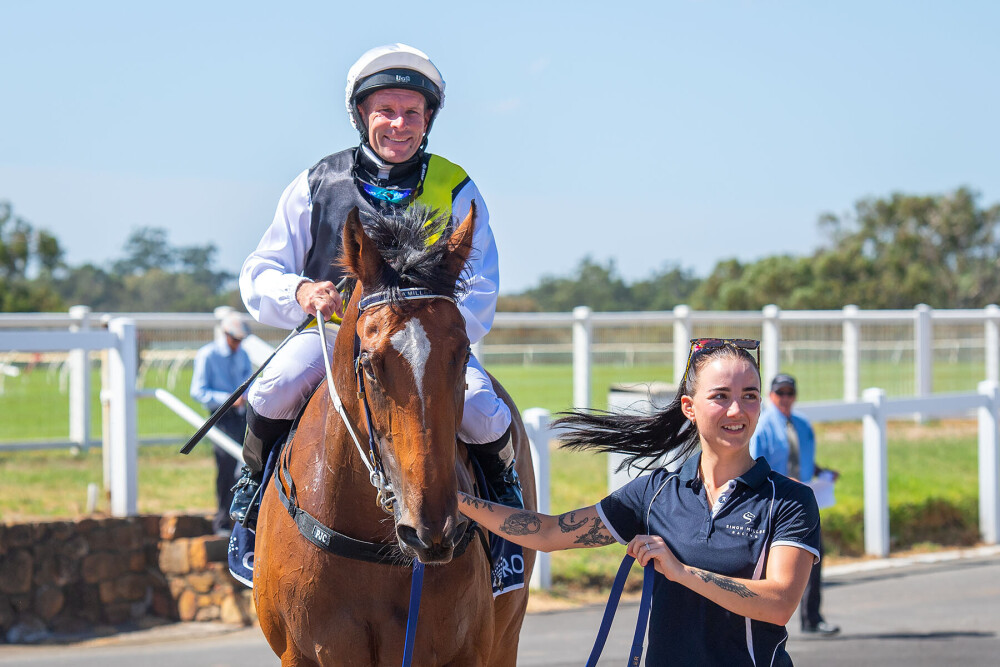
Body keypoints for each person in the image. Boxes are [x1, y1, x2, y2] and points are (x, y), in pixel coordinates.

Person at [231, 43, 519, 528]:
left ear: (428, 119)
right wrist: (300, 291)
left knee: (482, 411)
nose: (399, 124)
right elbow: (261, 268)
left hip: (427, 344)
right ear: (362, 114)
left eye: (412, 112)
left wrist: (433, 340)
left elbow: (481, 285)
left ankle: (504, 507)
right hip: (331, 336)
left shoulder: (456, 186)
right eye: (386, 110)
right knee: (276, 386)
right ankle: (252, 489)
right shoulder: (316, 182)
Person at [459, 339, 821, 666]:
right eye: (720, 396)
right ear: (689, 407)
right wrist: (457, 501)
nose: (736, 410)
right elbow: (549, 533)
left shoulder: (789, 500)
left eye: (750, 396)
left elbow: (779, 604)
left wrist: (682, 572)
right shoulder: (656, 494)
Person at [751, 373, 841, 636]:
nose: (785, 398)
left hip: (802, 502)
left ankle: (812, 618)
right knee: (765, 562)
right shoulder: (762, 426)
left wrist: (823, 472)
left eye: (790, 393)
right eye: (780, 393)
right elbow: (754, 463)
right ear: (771, 395)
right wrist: (783, 481)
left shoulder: (803, 424)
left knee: (813, 556)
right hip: (772, 501)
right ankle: (760, 621)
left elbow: (804, 460)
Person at [190, 313, 253, 534]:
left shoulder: (243, 354)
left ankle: (240, 519)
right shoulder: (207, 355)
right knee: (226, 466)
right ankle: (222, 520)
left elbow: (249, 381)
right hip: (220, 417)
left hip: (242, 415)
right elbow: (198, 391)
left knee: (245, 465)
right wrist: (228, 399)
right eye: (235, 339)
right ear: (225, 334)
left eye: (240, 340)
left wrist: (246, 396)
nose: (237, 344)